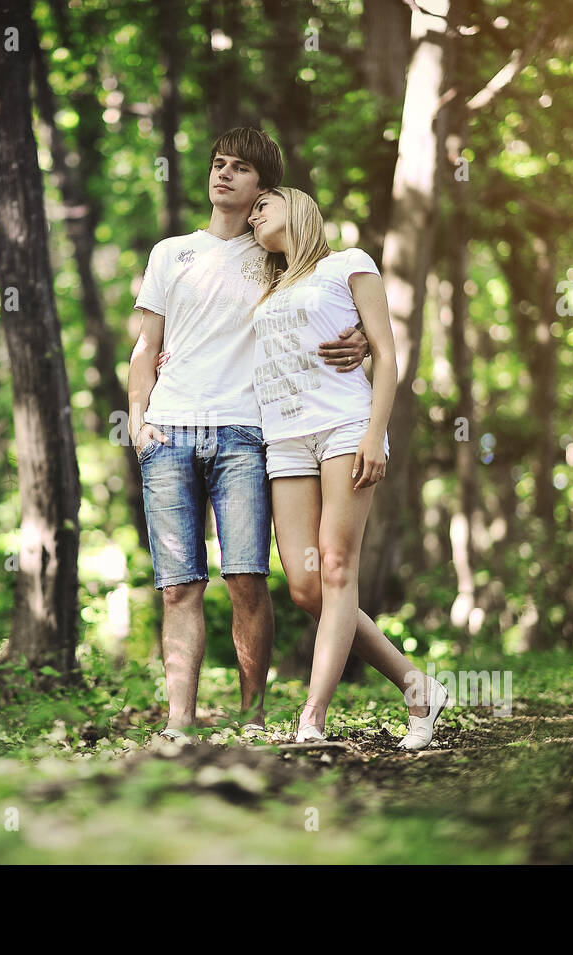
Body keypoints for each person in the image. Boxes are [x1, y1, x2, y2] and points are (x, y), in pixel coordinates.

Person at [127, 128, 370, 742]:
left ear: (264, 187)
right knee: (179, 587)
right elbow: (145, 346)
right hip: (170, 430)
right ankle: (179, 722)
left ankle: (252, 716)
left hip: (247, 434)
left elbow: (328, 304)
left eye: (240, 168)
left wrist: (362, 337)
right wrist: (137, 419)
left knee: (246, 580)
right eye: (218, 164)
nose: (224, 175)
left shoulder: (276, 258)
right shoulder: (170, 253)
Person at [246, 185, 449, 750]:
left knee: (338, 569)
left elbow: (386, 351)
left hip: (344, 428)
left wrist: (374, 435)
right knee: (307, 587)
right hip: (285, 441)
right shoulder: (265, 287)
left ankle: (311, 717)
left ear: (301, 208)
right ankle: (419, 687)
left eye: (267, 202)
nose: (256, 212)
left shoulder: (348, 263)